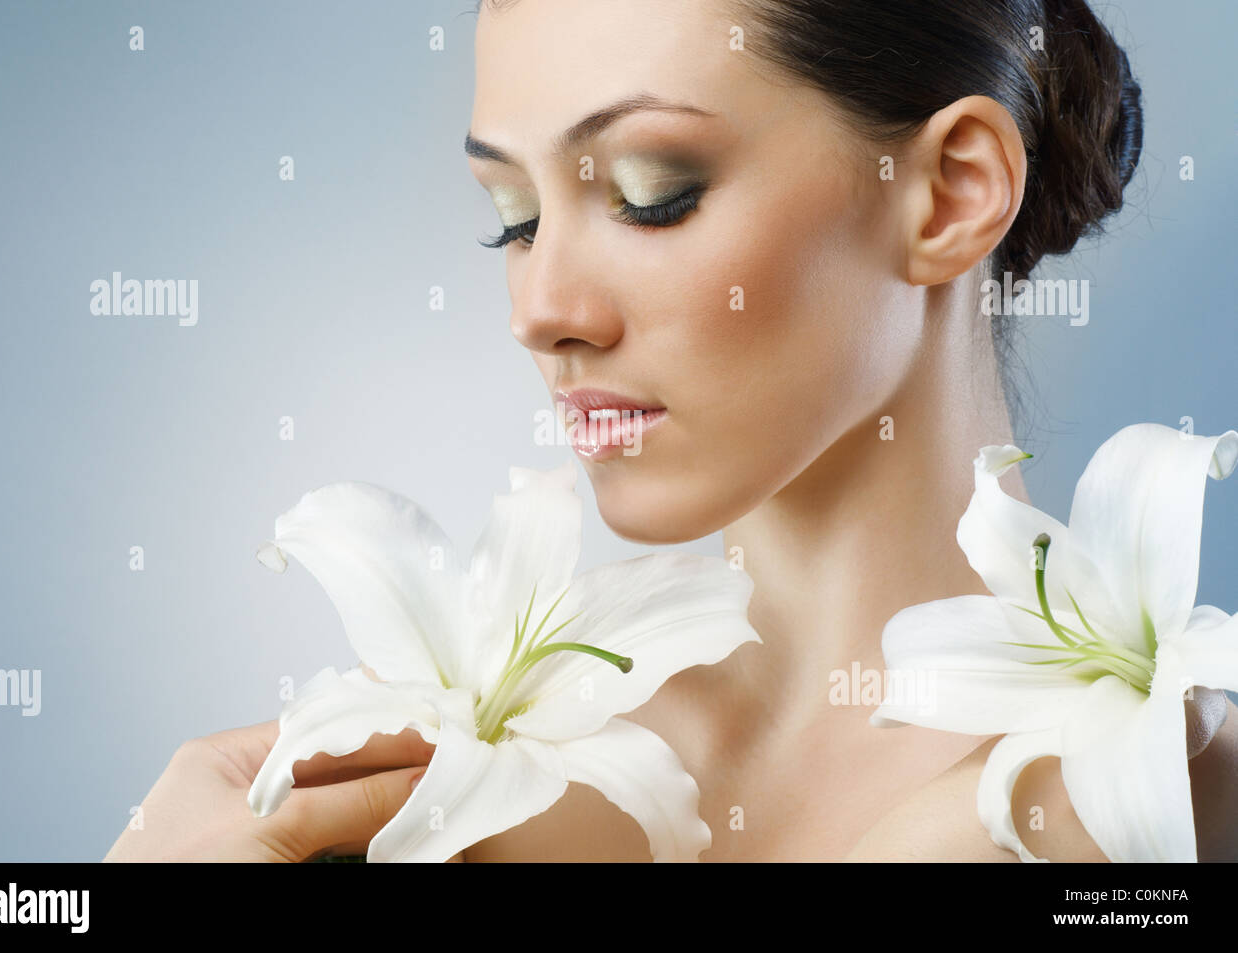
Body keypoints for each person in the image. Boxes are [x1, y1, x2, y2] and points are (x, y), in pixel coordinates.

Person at [106, 0, 1237, 862]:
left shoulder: (1152, 799)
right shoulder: (461, 776)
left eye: (653, 193)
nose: (540, 310)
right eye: (514, 219)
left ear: (946, 192)